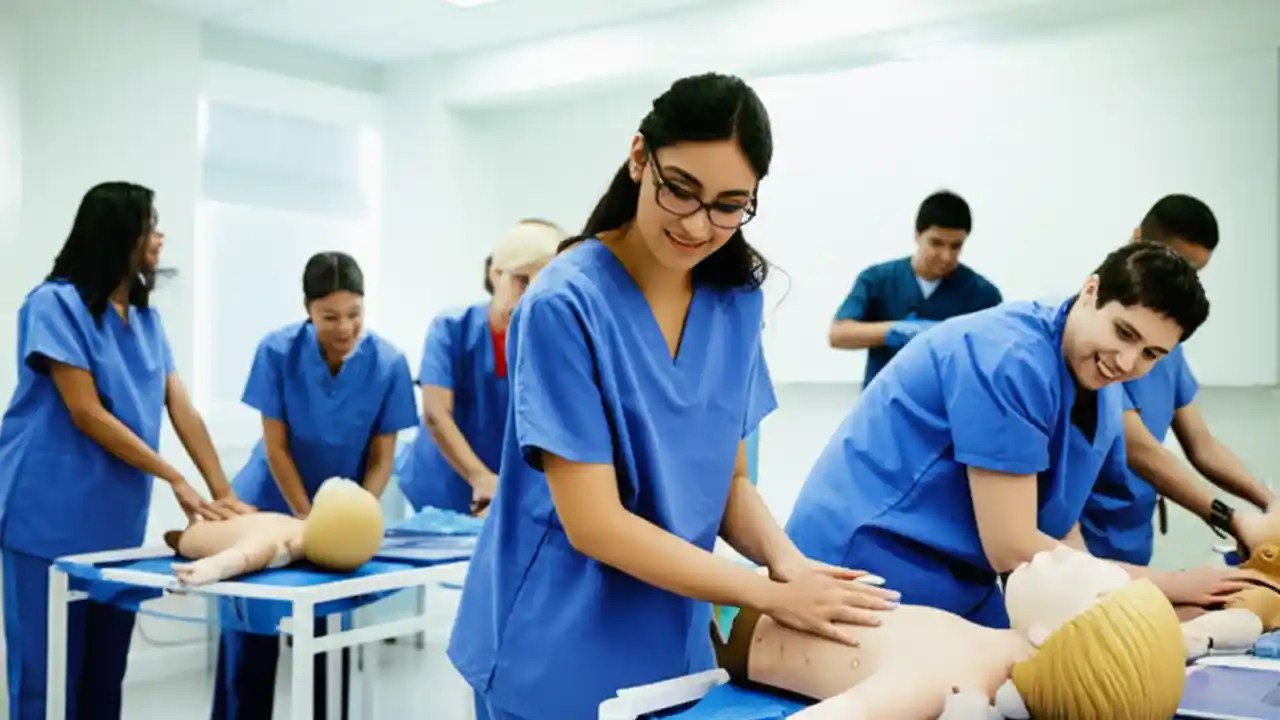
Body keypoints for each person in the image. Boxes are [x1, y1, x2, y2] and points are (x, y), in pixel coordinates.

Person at [446, 72, 898, 720]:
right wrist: (765, 595)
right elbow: (593, 523)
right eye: (681, 190)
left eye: (728, 205)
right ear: (639, 158)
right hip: (552, 644)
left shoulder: (735, 301)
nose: (697, 223)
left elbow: (729, 484)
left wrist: (789, 565)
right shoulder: (563, 304)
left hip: (670, 646)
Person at [786, 241, 1261, 629]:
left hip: (957, 583)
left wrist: (1128, 601)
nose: (1126, 362)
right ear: (1091, 290)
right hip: (860, 566)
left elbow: (1062, 529)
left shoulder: (1100, 383)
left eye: (1152, 354)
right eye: (1123, 332)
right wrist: (1166, 583)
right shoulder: (1009, 359)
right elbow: (1011, 544)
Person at [0, 181, 250, 720]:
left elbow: (181, 408)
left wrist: (223, 492)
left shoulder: (147, 321)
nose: (159, 237)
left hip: (113, 522)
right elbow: (85, 411)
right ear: (120, 235)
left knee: (103, 677)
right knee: (46, 682)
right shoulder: (53, 304)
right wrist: (173, 477)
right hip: (44, 519)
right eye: (150, 225)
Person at [211, 251, 418, 720]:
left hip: (336, 516)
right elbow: (276, 447)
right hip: (268, 503)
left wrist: (352, 519)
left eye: (354, 314)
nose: (344, 328)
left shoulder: (387, 362)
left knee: (330, 642)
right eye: (330, 317)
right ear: (307, 310)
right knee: (251, 644)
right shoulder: (277, 351)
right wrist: (306, 515)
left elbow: (383, 458)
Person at [709, 545, 1263, 720]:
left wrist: (768, 589)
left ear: (1051, 632)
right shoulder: (998, 649)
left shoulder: (938, 683)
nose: (1064, 552)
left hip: (745, 619)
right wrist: (1198, 633)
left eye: (1075, 570)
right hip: (781, 587)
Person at [1081, 194, 1276, 565]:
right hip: (1079, 538)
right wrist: (1233, 520)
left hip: (1131, 534)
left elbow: (1202, 444)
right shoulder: (1095, 338)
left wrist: (1268, 502)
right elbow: (1137, 447)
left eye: (1193, 272)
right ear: (1136, 240)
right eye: (1172, 263)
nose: (1180, 282)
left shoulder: (1166, 350)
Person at [397, 219, 564, 516]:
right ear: (495, 273)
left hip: (509, 489)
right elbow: (436, 414)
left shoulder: (552, 341)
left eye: (543, 284)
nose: (530, 295)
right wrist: (480, 478)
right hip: (444, 483)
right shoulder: (451, 329)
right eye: (522, 280)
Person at [828, 191, 1002, 387]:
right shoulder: (877, 279)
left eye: (956, 246)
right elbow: (838, 334)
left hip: (944, 409)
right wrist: (897, 330)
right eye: (936, 243)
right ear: (917, 235)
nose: (946, 256)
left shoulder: (982, 294)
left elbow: (993, 357)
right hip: (884, 403)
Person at [168, 477, 383, 586]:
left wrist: (214, 567)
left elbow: (249, 554)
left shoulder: (283, 540)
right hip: (227, 521)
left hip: (201, 531)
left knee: (184, 538)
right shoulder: (302, 539)